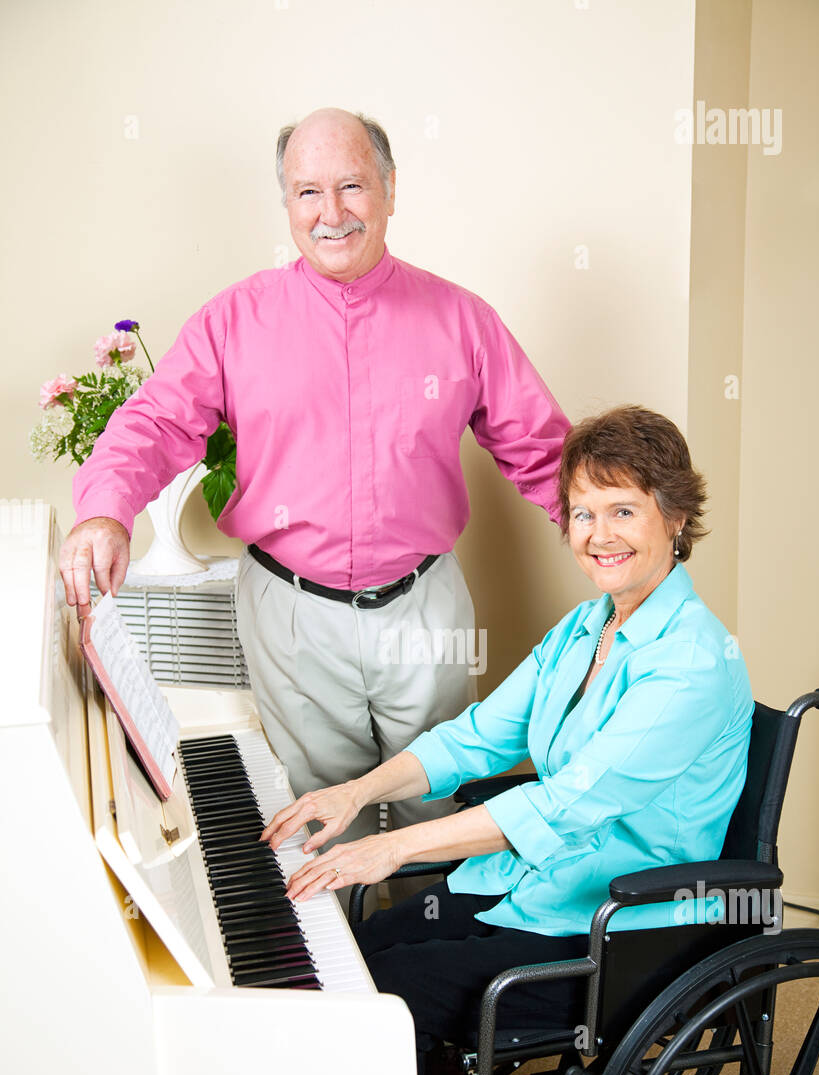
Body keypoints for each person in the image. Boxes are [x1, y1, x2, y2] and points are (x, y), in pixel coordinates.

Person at [173, 405, 755, 1075]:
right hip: (532, 886)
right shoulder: (588, 628)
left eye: (622, 510)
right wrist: (354, 795)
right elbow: (478, 736)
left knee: (390, 1001)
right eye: (581, 513)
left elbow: (561, 806)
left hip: (616, 925)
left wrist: (391, 846)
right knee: (354, 956)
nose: (597, 534)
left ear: (674, 513)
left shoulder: (693, 662)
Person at [58, 107, 570, 855]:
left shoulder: (464, 319)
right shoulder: (234, 320)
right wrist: (105, 511)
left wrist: (623, 543)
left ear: (391, 190)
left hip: (425, 610)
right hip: (290, 615)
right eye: (307, 193)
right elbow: (157, 422)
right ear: (287, 205)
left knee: (439, 818)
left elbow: (544, 451)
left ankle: (426, 966)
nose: (331, 214)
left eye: (353, 186)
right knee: (323, 827)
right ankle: (353, 971)